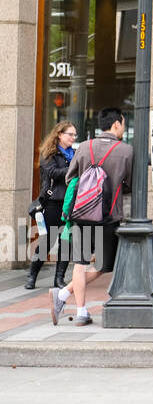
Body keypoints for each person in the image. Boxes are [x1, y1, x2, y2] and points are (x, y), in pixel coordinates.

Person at [50, 107, 133, 327]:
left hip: (82, 214)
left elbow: (70, 178)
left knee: (80, 262)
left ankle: (79, 311)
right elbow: (130, 186)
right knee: (105, 265)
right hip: (108, 216)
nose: (123, 127)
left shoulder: (84, 147)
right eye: (123, 123)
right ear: (116, 124)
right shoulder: (126, 151)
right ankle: (63, 294)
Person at [27, 120, 76, 289]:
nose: (73, 137)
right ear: (59, 134)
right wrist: (74, 169)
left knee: (66, 240)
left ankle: (59, 279)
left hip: (70, 203)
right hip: (52, 202)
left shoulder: (75, 154)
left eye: (74, 135)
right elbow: (53, 172)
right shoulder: (49, 154)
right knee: (48, 240)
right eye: (70, 134)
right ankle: (32, 275)